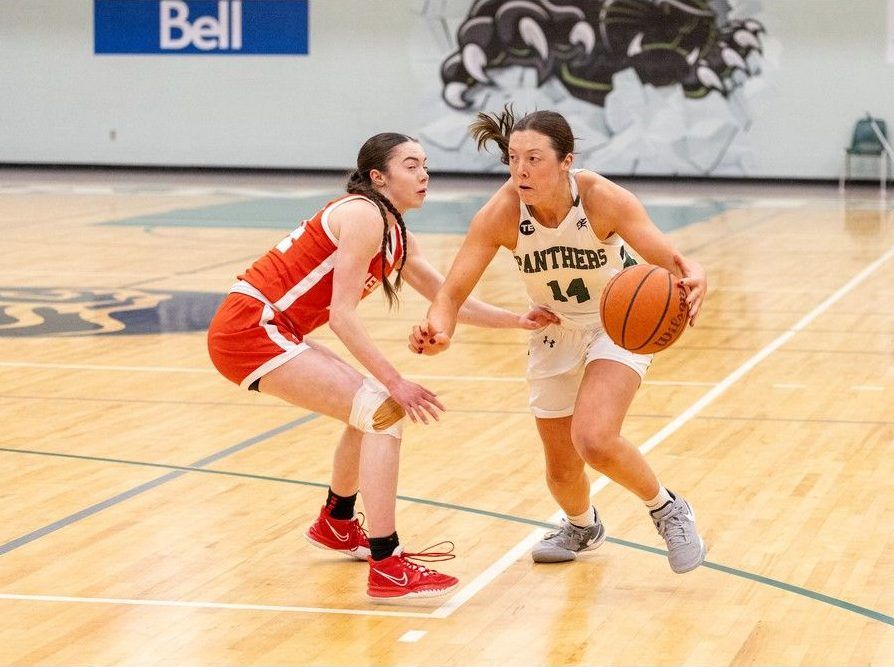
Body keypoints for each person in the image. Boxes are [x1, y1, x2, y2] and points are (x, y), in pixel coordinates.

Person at [207, 132, 557, 600]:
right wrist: (398, 381)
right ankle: (387, 563)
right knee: (383, 409)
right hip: (251, 327)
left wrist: (518, 320)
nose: (424, 174)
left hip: (271, 329)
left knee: (367, 410)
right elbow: (341, 316)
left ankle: (337, 520)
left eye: (425, 164)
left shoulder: (394, 232)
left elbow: (448, 297)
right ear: (378, 177)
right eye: (411, 165)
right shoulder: (363, 214)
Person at [411, 108, 709, 573]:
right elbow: (451, 292)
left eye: (534, 158)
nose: (521, 170)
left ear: (566, 160)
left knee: (593, 437)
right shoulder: (501, 213)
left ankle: (668, 508)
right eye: (513, 158)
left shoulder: (601, 199)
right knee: (562, 470)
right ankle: (582, 525)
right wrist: (439, 329)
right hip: (553, 330)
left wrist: (693, 273)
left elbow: (667, 255)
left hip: (616, 324)